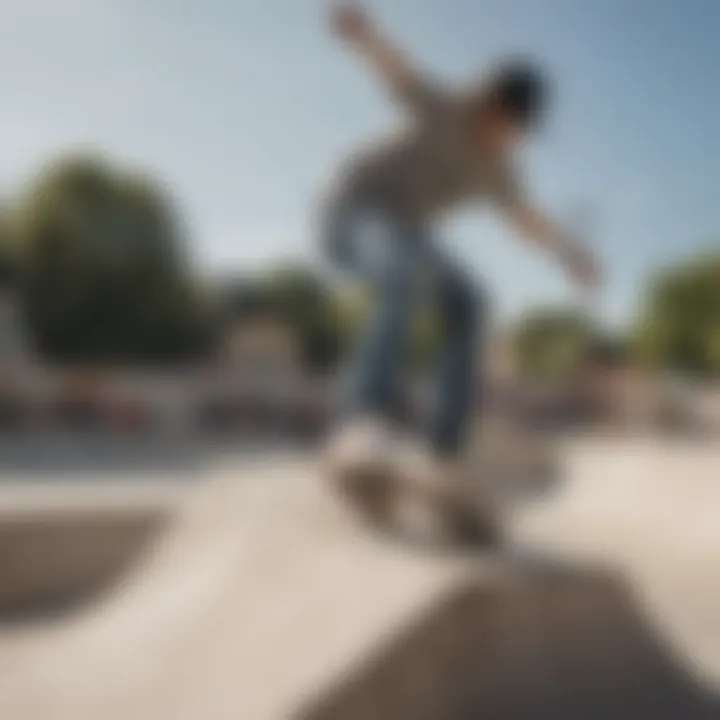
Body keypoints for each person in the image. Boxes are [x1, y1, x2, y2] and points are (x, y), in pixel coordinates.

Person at [321, 3, 600, 508]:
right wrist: (364, 34)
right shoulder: (447, 109)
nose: (507, 139)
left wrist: (570, 255)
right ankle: (362, 423)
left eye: (516, 132)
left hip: (407, 234)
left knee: (471, 302)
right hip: (351, 215)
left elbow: (526, 221)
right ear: (488, 102)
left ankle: (441, 453)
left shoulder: (500, 168)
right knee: (404, 267)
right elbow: (399, 72)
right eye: (504, 123)